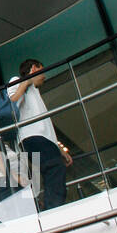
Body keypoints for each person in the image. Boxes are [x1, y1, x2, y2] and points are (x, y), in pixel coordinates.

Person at [8, 60, 72, 209]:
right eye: (41, 71)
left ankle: (49, 206)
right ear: (34, 68)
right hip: (31, 137)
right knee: (54, 167)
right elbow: (13, 100)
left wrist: (59, 149)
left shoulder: (35, 92)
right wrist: (27, 80)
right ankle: (53, 208)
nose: (43, 76)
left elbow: (46, 125)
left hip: (43, 139)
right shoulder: (17, 81)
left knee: (52, 169)